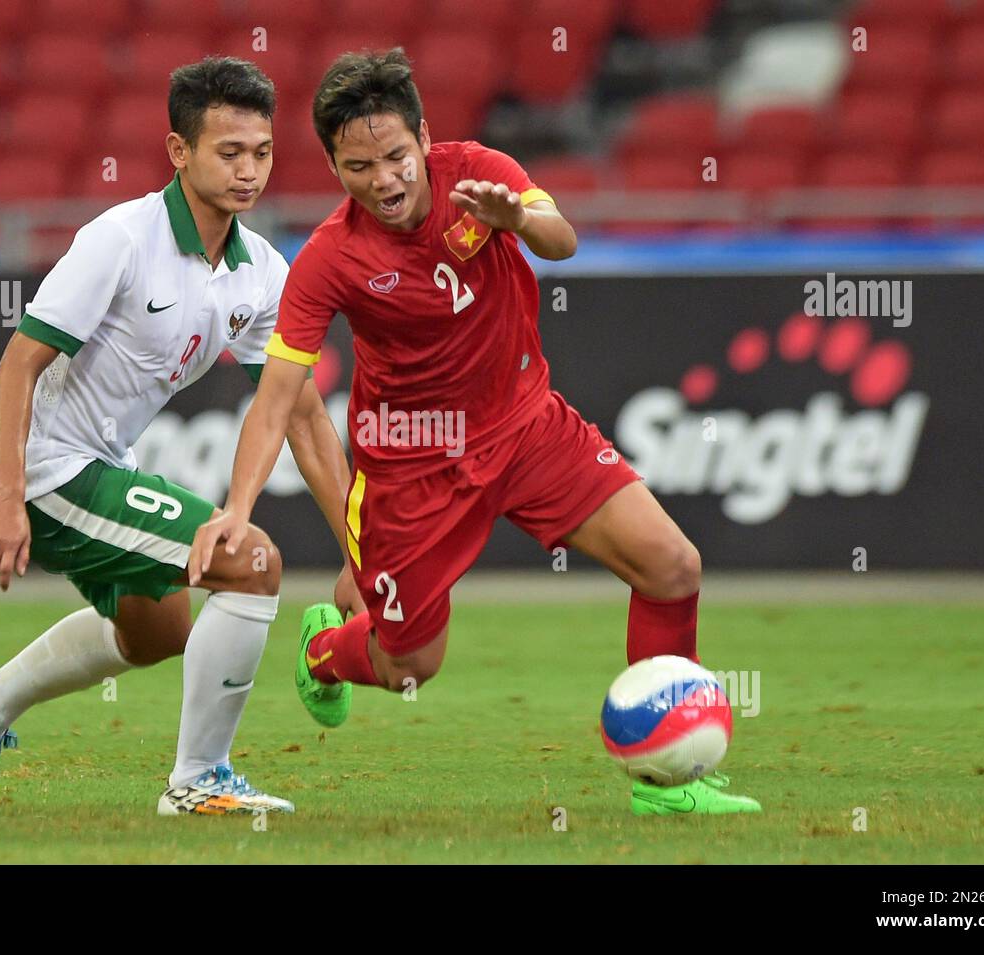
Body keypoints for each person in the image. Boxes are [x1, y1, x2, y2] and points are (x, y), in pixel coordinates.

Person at [191, 49, 760, 816]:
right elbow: (278, 399)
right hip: (412, 468)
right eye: (359, 166)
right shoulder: (328, 259)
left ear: (424, 137)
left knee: (672, 564)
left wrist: (517, 217)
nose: (385, 180)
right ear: (334, 165)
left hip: (527, 426)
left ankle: (669, 780)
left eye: (396, 156)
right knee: (411, 666)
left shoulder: (479, 174)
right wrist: (237, 507)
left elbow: (563, 241)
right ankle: (326, 651)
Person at [0, 57, 358, 816]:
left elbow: (302, 417)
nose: (249, 170)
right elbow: (14, 368)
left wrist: (365, 553)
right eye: (229, 152)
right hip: (46, 473)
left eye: (261, 151)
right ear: (179, 151)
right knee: (250, 563)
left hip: (103, 462)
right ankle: (199, 779)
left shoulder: (261, 271)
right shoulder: (120, 240)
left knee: (159, 628)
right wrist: (5, 497)